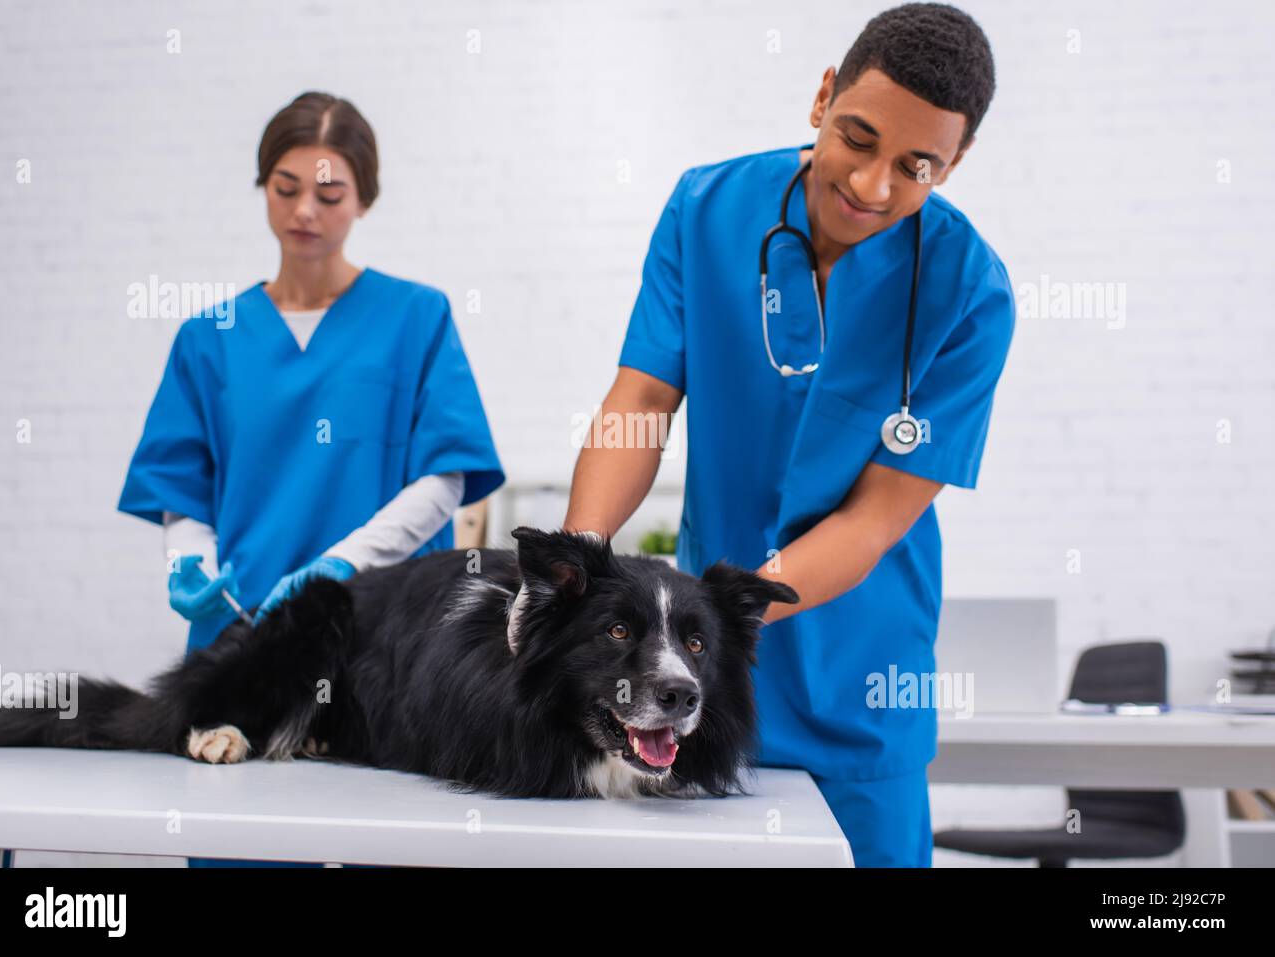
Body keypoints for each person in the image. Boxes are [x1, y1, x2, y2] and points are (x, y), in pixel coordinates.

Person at [562, 3, 1015, 867]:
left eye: (917, 166)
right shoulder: (706, 210)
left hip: (862, 683)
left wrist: (728, 615)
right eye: (859, 137)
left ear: (954, 166)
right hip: (695, 686)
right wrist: (580, 555)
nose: (875, 186)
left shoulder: (972, 293)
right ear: (821, 98)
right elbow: (643, 399)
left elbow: (874, 520)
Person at [117, 92, 505, 867]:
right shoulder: (212, 336)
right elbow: (180, 484)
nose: (305, 211)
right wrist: (186, 562)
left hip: (378, 640)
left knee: (388, 843)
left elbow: (446, 476)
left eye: (329, 193)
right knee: (239, 851)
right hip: (244, 633)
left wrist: (342, 566)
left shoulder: (414, 319)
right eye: (286, 187)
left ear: (363, 198)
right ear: (263, 186)